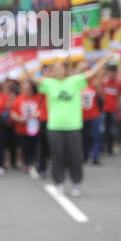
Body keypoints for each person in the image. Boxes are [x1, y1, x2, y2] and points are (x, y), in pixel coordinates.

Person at [37, 55, 112, 196]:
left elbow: (92, 73)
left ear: (65, 70)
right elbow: (31, 79)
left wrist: (103, 59)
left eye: (60, 67)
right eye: (55, 67)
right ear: (52, 70)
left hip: (73, 126)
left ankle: (76, 183)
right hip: (54, 127)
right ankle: (58, 183)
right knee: (57, 156)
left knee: (75, 156)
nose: (58, 69)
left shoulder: (75, 81)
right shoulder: (48, 83)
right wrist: (23, 65)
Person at [11, 79, 45, 178]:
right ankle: (28, 163)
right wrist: (18, 118)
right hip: (22, 128)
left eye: (28, 89)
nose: (26, 91)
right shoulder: (19, 98)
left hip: (35, 128)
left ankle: (36, 163)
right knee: (25, 147)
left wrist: (36, 115)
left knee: (36, 146)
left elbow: (42, 109)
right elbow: (13, 112)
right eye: (24, 89)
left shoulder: (38, 97)